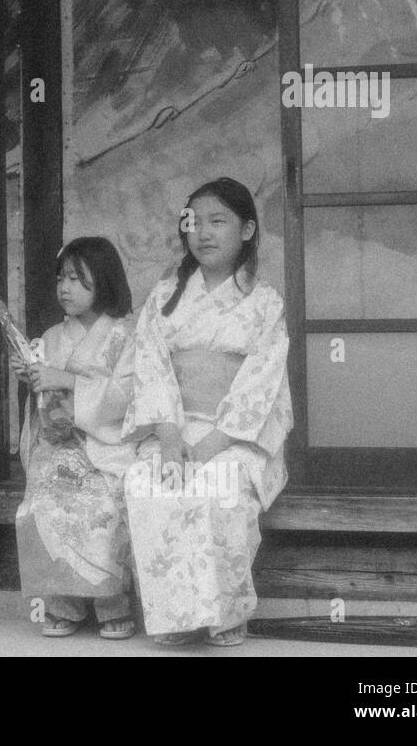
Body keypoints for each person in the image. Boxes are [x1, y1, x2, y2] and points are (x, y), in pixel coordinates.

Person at [122, 177, 292, 647]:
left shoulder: (264, 302)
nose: (204, 232)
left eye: (218, 221)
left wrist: (213, 442)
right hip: (174, 426)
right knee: (147, 482)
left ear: (248, 230)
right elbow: (151, 368)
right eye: (194, 222)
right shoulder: (163, 298)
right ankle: (176, 615)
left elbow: (263, 381)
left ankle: (224, 612)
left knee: (220, 488)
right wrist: (172, 439)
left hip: (236, 435)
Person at [11, 237, 136, 639]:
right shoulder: (49, 336)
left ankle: (110, 601)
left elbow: (127, 396)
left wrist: (63, 379)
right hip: (59, 443)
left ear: (105, 283)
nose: (66, 288)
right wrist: (33, 379)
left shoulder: (125, 334)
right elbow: (44, 403)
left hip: (105, 446)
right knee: (45, 496)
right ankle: (63, 602)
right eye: (62, 278)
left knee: (100, 500)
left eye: (78, 280)